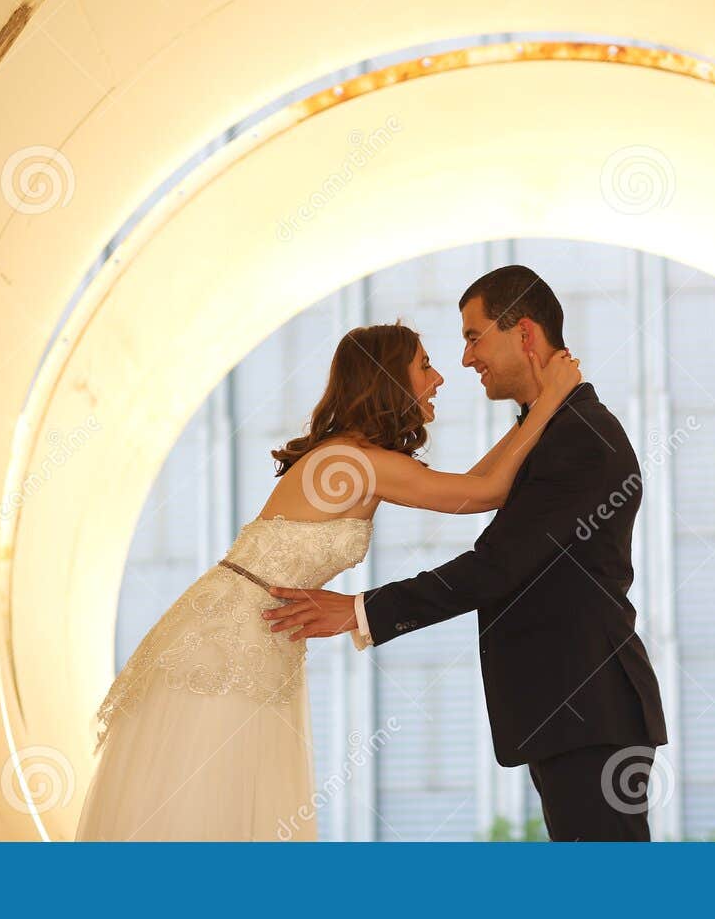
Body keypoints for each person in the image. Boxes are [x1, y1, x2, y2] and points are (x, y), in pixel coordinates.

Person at [74, 319, 581, 840]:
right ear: (389, 379)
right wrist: (550, 400)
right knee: (205, 803)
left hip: (254, 629)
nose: (440, 379)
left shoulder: (359, 457)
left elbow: (476, 484)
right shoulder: (357, 461)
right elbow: (487, 493)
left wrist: (535, 414)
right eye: (425, 366)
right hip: (228, 643)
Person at [267, 266, 669, 840]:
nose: (463, 361)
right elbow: (484, 489)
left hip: (589, 711)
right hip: (576, 712)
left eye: (473, 337)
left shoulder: (580, 437)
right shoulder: (558, 429)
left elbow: (497, 567)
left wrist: (358, 610)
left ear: (524, 334)